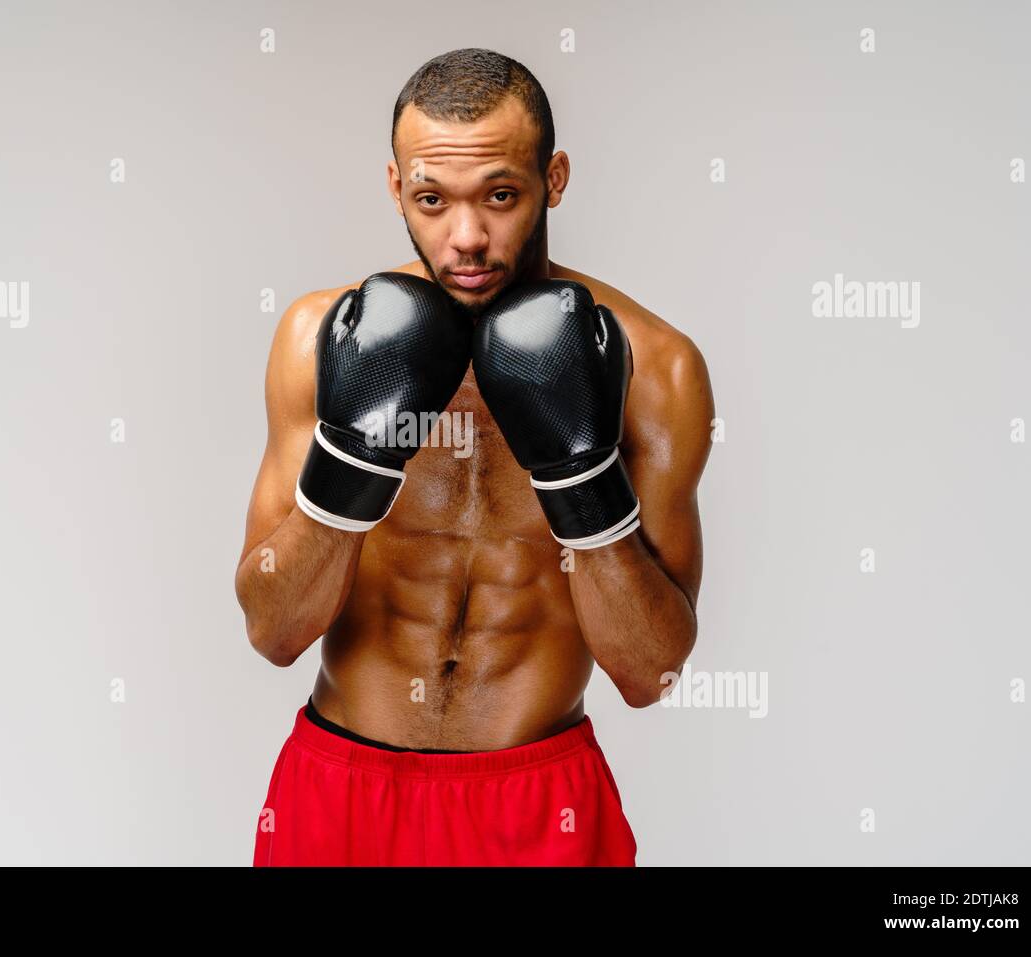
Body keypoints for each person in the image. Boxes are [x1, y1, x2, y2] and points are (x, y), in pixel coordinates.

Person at [236, 48, 714, 866]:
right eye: (431, 200)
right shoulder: (320, 341)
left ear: (553, 177)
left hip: (538, 809)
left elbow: (650, 673)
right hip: (344, 793)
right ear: (395, 189)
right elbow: (273, 631)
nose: (466, 239)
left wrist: (583, 484)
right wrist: (346, 472)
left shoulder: (655, 368)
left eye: (500, 195)